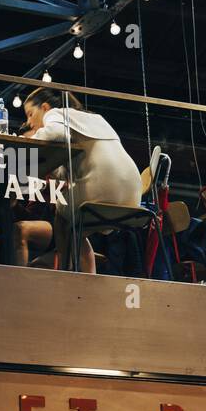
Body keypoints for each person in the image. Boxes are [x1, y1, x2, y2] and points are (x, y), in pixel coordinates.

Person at [21, 88, 141, 274]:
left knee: (62, 216)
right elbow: (67, 170)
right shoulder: (94, 117)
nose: (29, 121)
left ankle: (65, 271)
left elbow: (56, 134)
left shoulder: (55, 113)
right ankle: (86, 277)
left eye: (30, 114)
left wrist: (25, 141)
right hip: (133, 192)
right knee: (76, 229)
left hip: (104, 187)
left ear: (44, 107)